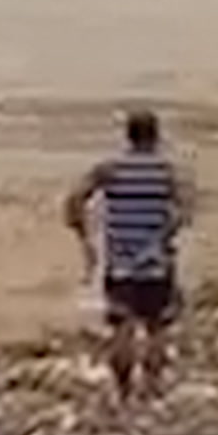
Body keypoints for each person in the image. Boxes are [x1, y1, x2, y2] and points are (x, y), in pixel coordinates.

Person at [66, 110, 193, 403]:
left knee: (121, 326)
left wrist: (84, 237)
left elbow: (74, 200)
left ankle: (123, 394)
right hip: (157, 264)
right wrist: (163, 235)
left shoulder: (110, 169)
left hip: (120, 264)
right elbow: (185, 212)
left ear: (128, 136)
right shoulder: (167, 172)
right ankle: (152, 391)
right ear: (156, 136)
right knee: (156, 327)